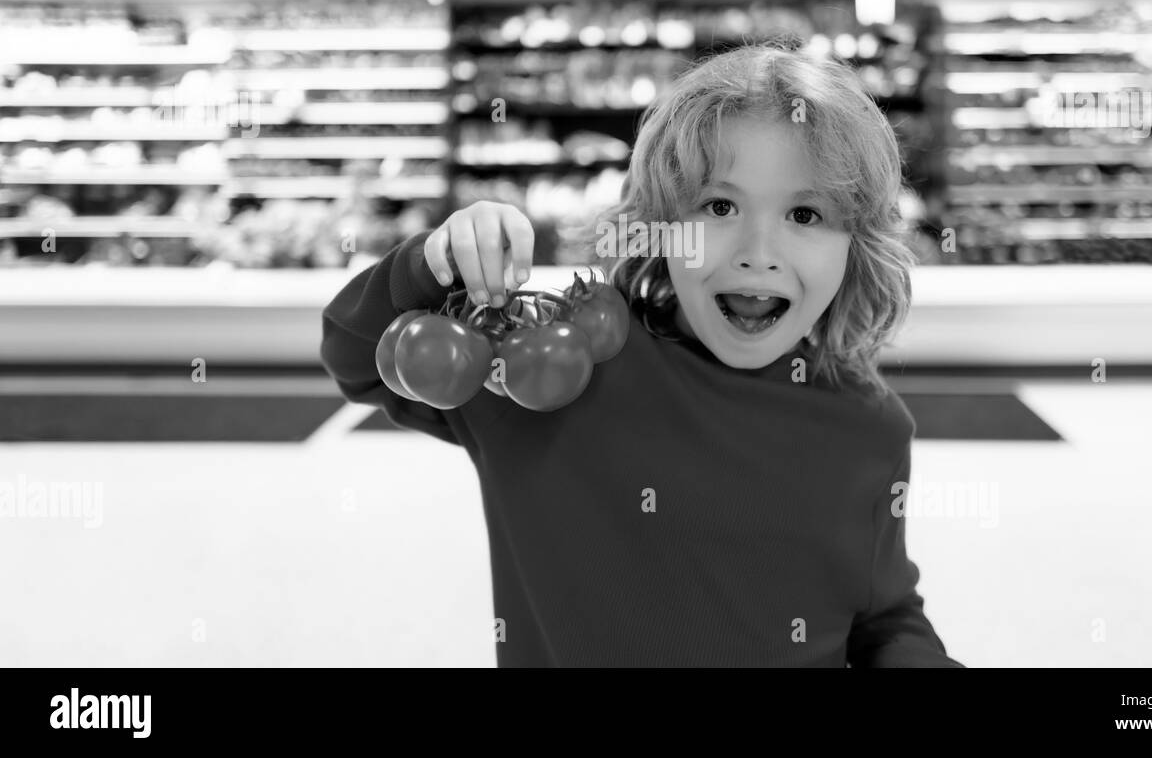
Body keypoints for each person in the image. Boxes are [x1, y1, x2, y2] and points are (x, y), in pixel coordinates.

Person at [320, 38, 964, 667]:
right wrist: (431, 265)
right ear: (658, 224)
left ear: (858, 247)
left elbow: (882, 615)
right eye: (718, 206)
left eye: (806, 215)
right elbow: (357, 355)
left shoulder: (871, 428)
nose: (757, 251)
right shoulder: (554, 368)